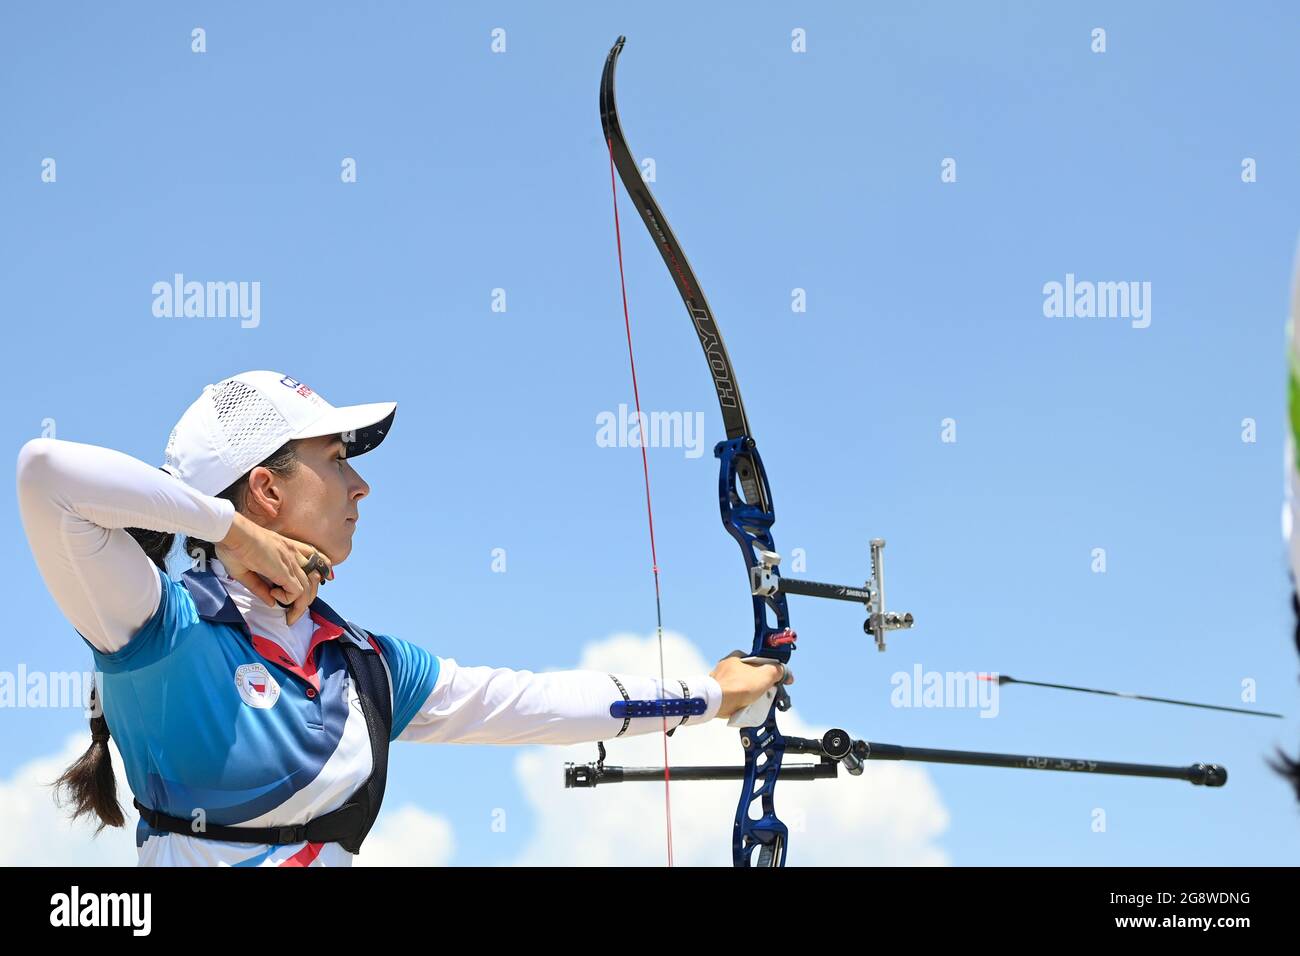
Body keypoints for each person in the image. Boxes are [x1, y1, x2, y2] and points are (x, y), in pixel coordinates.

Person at [16, 370, 787, 866]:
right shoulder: (158, 626)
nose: (361, 487)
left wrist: (711, 695)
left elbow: (532, 704)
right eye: (336, 460)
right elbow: (44, 476)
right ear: (266, 489)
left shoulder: (363, 665)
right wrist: (234, 533)